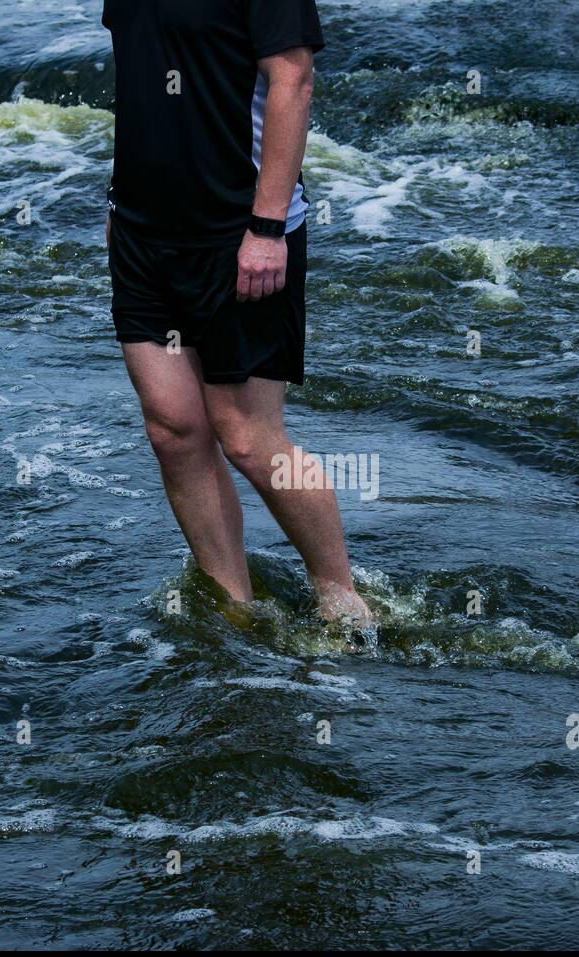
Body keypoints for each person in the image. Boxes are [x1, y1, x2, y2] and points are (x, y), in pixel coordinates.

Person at [101, 0, 370, 623]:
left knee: (249, 439)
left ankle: (343, 603)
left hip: (239, 234)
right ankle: (234, 609)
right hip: (145, 233)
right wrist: (117, 200)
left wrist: (267, 226)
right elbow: (142, 78)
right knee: (173, 430)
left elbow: (293, 79)